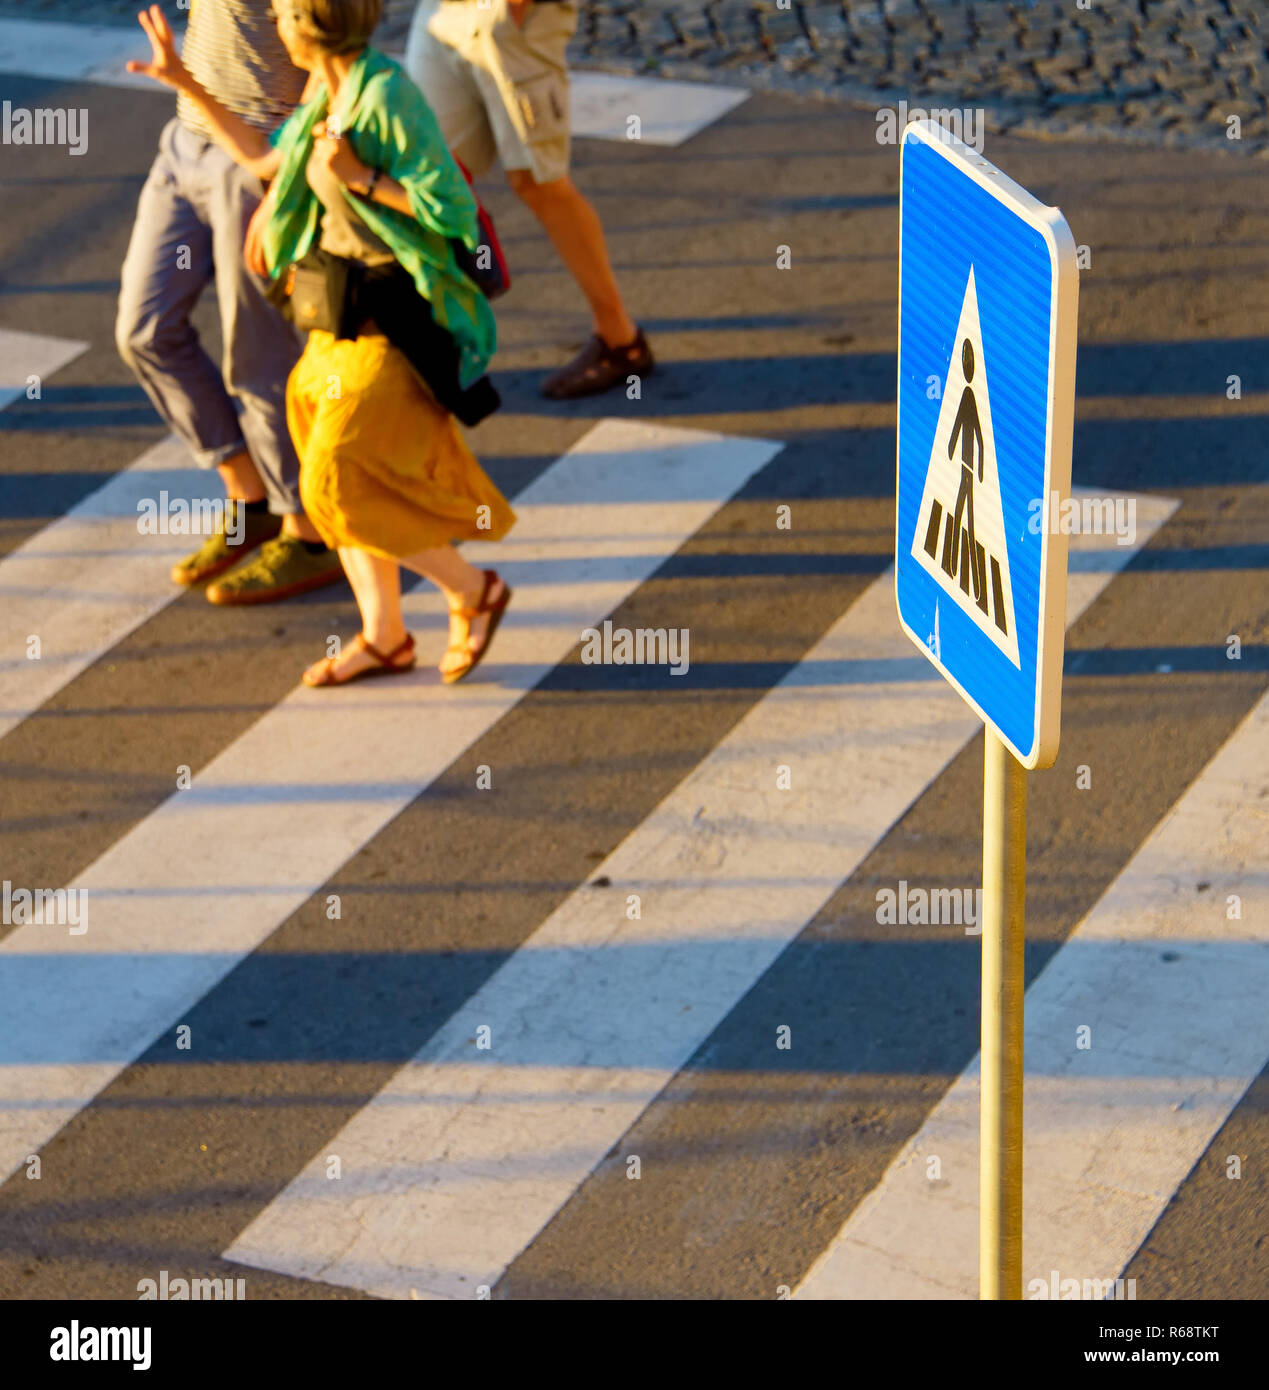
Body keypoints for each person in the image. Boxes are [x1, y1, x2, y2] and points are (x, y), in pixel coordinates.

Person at [128, 0, 517, 686]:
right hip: (338, 326)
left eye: (280, 14)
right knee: (340, 477)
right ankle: (385, 636)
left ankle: (469, 588)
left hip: (394, 326)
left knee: (333, 486)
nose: (272, 24)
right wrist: (182, 81)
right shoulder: (323, 102)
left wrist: (360, 179)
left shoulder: (384, 95)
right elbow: (259, 156)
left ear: (310, 26)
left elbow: (451, 206)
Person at [117, 0, 345, 604]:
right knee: (143, 332)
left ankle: (307, 530)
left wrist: (284, 180)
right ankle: (250, 496)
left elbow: (328, 56)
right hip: (186, 140)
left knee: (258, 361)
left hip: (254, 161)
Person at [405, 0, 654, 399]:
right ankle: (435, 340)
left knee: (538, 183)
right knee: (423, 171)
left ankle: (621, 339)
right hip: (439, 12)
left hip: (510, 20)